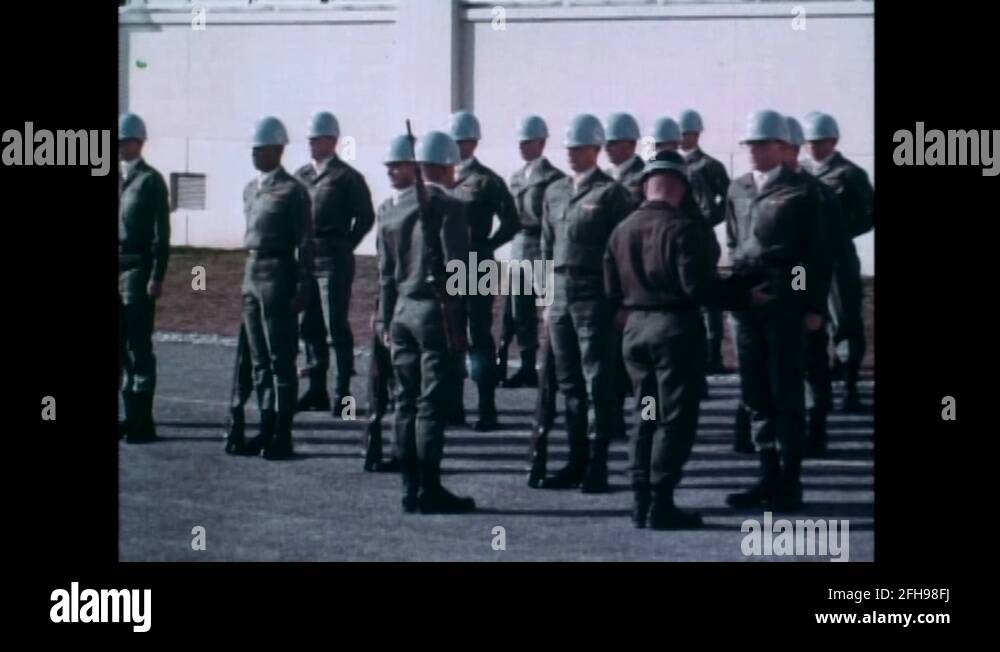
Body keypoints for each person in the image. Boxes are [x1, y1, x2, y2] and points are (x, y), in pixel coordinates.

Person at [605, 150, 769, 528]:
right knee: (674, 419)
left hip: (636, 333)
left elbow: (610, 289)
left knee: (645, 414)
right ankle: (662, 501)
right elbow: (699, 288)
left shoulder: (622, 229)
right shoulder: (684, 229)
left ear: (647, 184)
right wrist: (745, 297)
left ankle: (640, 497)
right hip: (674, 334)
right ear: (680, 187)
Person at [724, 110, 832, 511]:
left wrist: (807, 304)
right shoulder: (738, 189)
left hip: (785, 303)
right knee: (755, 392)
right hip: (748, 301)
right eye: (749, 144)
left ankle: (790, 480)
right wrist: (739, 294)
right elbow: (734, 244)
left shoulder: (803, 191)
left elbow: (815, 256)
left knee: (786, 391)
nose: (753, 151)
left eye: (761, 144)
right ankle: (766, 475)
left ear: (781, 147)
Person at [379, 129, 476, 513]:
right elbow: (459, 270)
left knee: (404, 402)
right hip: (435, 315)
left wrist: (386, 322)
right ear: (446, 166)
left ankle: (409, 487)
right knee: (430, 405)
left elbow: (386, 276)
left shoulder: (391, 210)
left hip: (402, 312)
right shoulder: (450, 207)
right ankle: (430, 488)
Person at [539, 114, 633, 493]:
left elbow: (624, 252)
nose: (573, 155)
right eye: (569, 148)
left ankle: (598, 461)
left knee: (598, 380)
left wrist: (624, 303)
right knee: (569, 382)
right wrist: (545, 297)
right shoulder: (554, 191)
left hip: (596, 294)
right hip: (561, 292)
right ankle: (574, 459)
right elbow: (546, 248)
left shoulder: (612, 194)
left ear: (596, 149)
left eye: (580, 148)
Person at [236, 116, 314, 460]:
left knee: (281, 358)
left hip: (279, 271)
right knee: (259, 359)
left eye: (262, 149)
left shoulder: (293, 190)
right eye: (253, 149)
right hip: (252, 271)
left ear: (278, 150)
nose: (255, 154)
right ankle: (266, 426)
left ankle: (283, 433)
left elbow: (305, 241)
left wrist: (302, 283)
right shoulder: (251, 189)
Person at [293, 111, 375, 415]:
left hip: (334, 257)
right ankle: (316, 390)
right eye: (310, 139)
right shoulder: (301, 176)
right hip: (306, 258)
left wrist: (345, 244)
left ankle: (342, 393)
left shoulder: (346, 177)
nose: (312, 144)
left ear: (332, 141)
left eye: (318, 139)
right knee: (309, 325)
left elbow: (365, 217)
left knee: (334, 326)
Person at [802, 111, 874, 413]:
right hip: (804, 263)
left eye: (819, 142)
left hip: (837, 259)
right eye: (809, 142)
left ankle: (850, 385)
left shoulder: (851, 174)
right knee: (806, 317)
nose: (813, 147)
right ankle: (817, 387)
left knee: (844, 319)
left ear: (833, 141)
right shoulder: (800, 172)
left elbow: (869, 216)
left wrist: (839, 234)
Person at [498, 115, 566, 389]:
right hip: (518, 247)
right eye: (520, 142)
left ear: (541, 142)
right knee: (520, 312)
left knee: (551, 309)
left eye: (527, 142)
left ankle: (555, 366)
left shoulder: (554, 178)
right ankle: (527, 365)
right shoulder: (515, 178)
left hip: (541, 245)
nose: (522, 147)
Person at [118, 112, 170, 444]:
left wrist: (157, 275)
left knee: (138, 345)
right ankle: (128, 414)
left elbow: (160, 233)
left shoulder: (151, 180)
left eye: (124, 141)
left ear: (138, 142)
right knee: (121, 347)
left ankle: (143, 420)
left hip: (138, 267)